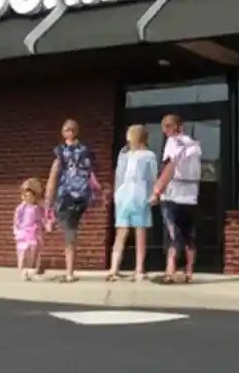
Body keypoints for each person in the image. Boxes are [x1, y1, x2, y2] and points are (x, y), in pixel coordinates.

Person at [44, 118, 100, 283]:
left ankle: (69, 272)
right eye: (67, 130)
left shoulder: (66, 151)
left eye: (70, 130)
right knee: (70, 229)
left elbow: (54, 175)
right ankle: (69, 270)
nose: (69, 133)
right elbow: (89, 173)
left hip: (70, 194)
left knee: (69, 231)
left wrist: (49, 199)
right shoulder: (79, 151)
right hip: (76, 194)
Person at [150, 114, 202, 284]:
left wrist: (157, 190)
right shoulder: (193, 144)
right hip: (191, 196)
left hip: (173, 194)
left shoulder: (172, 143)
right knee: (188, 236)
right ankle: (188, 272)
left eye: (167, 126)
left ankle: (170, 273)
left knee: (172, 236)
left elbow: (170, 167)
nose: (165, 130)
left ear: (176, 127)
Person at [107, 124, 158, 282]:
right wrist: (154, 194)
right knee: (139, 232)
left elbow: (119, 177)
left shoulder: (127, 155)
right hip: (138, 194)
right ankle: (137, 269)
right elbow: (152, 178)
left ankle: (115, 268)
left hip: (126, 194)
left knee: (123, 232)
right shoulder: (147, 156)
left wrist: (116, 193)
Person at [14, 178, 45, 280]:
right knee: (23, 252)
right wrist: (17, 230)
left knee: (33, 252)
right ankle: (22, 270)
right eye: (24, 195)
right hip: (23, 232)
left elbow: (39, 220)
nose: (26, 197)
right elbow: (17, 220)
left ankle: (30, 271)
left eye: (29, 196)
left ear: (33, 197)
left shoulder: (36, 208)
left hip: (33, 233)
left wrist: (40, 229)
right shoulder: (21, 208)